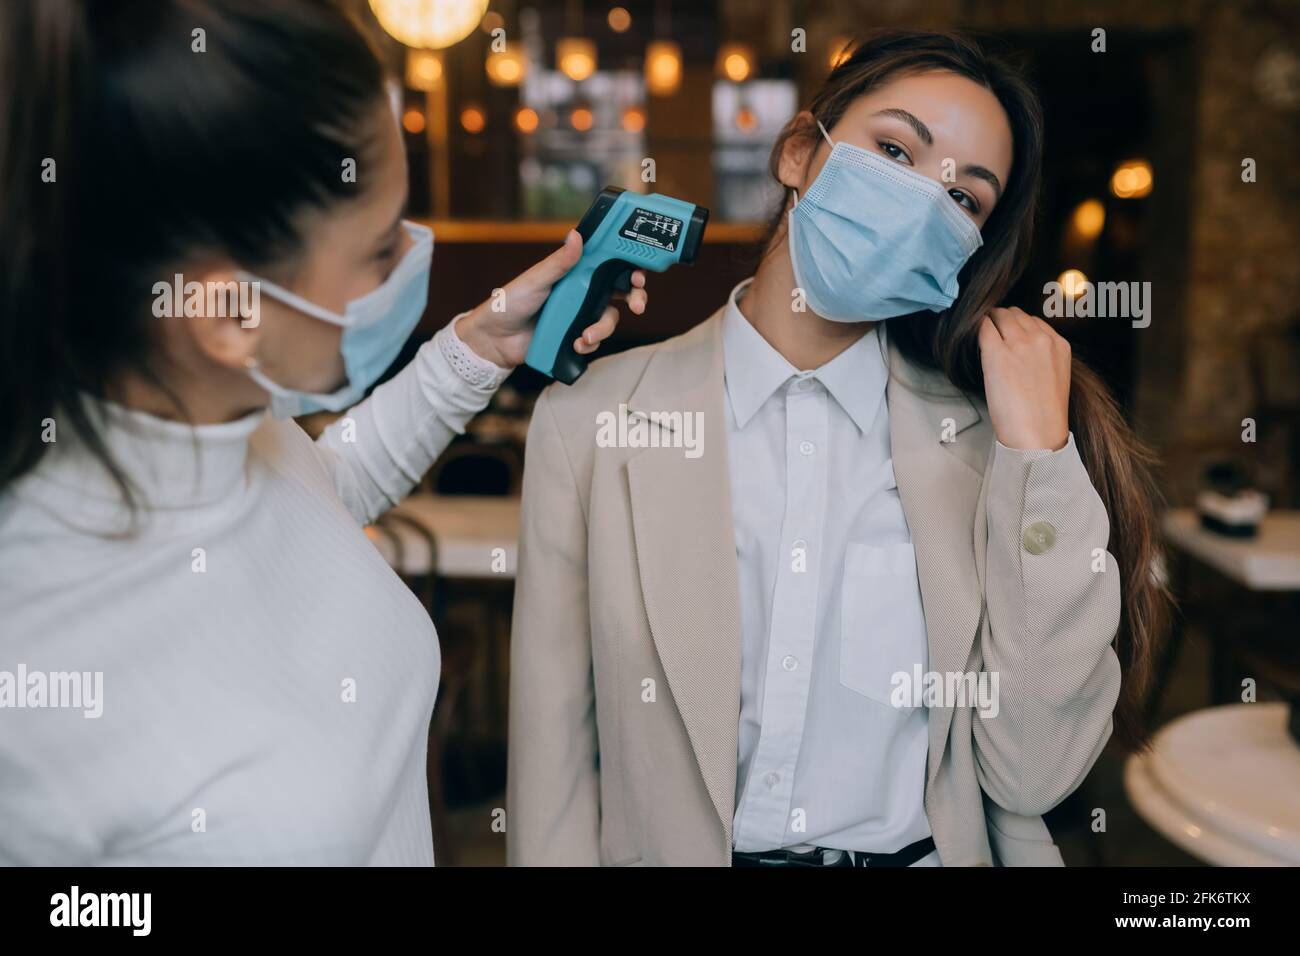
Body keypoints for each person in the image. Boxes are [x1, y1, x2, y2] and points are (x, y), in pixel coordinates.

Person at [0, 0, 646, 864]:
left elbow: (317, 503)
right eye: (382, 250)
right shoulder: (38, 691)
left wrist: (479, 345)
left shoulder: (231, 429)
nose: (412, 259)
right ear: (228, 316)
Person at [507, 29, 1168, 867]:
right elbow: (553, 758)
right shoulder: (593, 418)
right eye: (894, 149)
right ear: (797, 153)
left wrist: (1041, 457)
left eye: (965, 198)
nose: (924, 202)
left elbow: (1031, 776)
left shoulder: (981, 445)